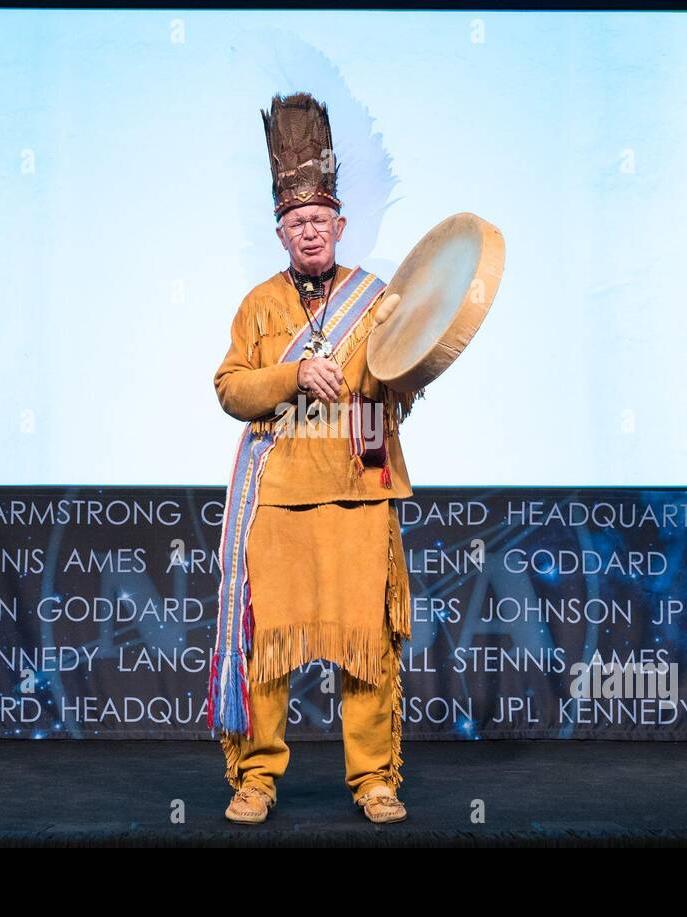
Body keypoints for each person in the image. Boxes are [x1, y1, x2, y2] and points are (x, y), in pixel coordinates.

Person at [207, 92, 424, 824]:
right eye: (296, 222)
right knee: (268, 648)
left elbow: (404, 374)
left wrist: (407, 374)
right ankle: (256, 778)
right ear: (281, 232)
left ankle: (375, 781)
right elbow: (231, 389)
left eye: (319, 220)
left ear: (340, 226)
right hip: (279, 498)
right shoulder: (259, 305)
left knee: (368, 646)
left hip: (359, 489)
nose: (309, 231)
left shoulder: (376, 298)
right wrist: (293, 375)